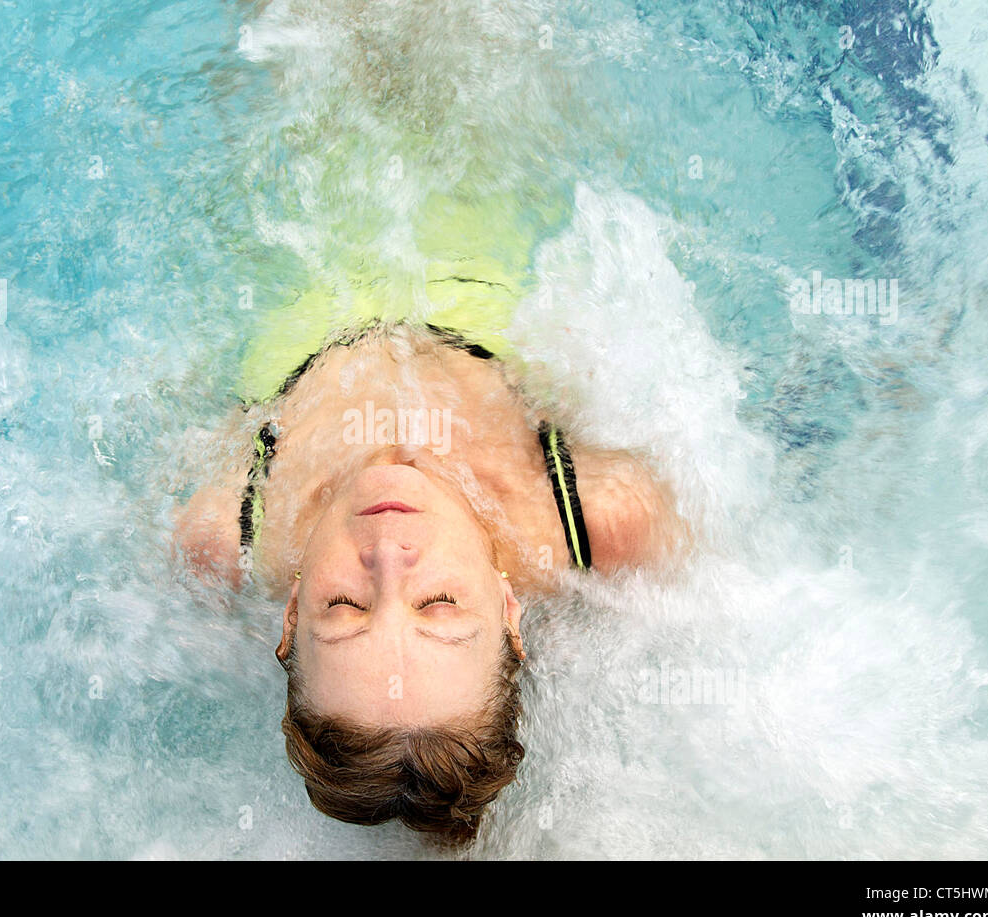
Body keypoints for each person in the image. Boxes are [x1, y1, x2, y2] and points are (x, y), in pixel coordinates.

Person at [173, 192, 685, 847]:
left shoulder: (229, 535)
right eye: (438, 602)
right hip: (489, 237)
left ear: (292, 613)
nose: (389, 553)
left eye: (344, 604)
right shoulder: (594, 519)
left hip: (294, 258)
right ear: (508, 610)